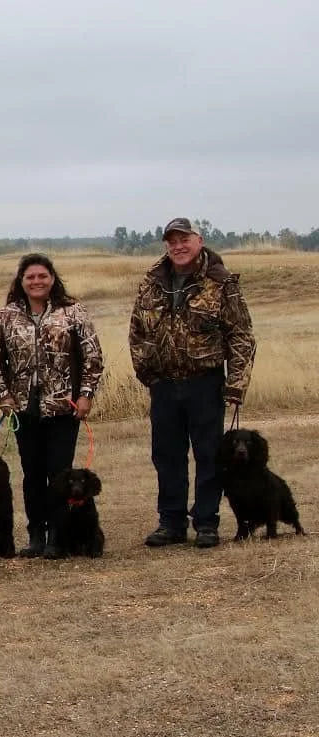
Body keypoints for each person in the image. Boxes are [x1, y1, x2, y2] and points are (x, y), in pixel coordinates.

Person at [129, 218, 255, 549]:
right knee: (167, 454)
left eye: (184, 239)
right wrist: (147, 373)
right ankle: (170, 522)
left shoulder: (221, 282)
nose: (178, 246)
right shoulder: (152, 282)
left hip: (205, 383)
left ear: (199, 241)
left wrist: (236, 384)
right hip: (165, 385)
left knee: (210, 454)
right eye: (172, 241)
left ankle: (206, 522)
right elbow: (137, 332)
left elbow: (241, 335)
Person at [0, 254, 105, 558]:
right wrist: (4, 395)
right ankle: (36, 533)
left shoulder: (73, 312)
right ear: (21, 281)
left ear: (52, 278)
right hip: (24, 409)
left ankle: (58, 535)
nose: (36, 281)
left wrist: (86, 395)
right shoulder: (7, 315)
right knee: (32, 474)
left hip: (63, 408)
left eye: (42, 276)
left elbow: (92, 357)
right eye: (30, 277)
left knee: (60, 475)